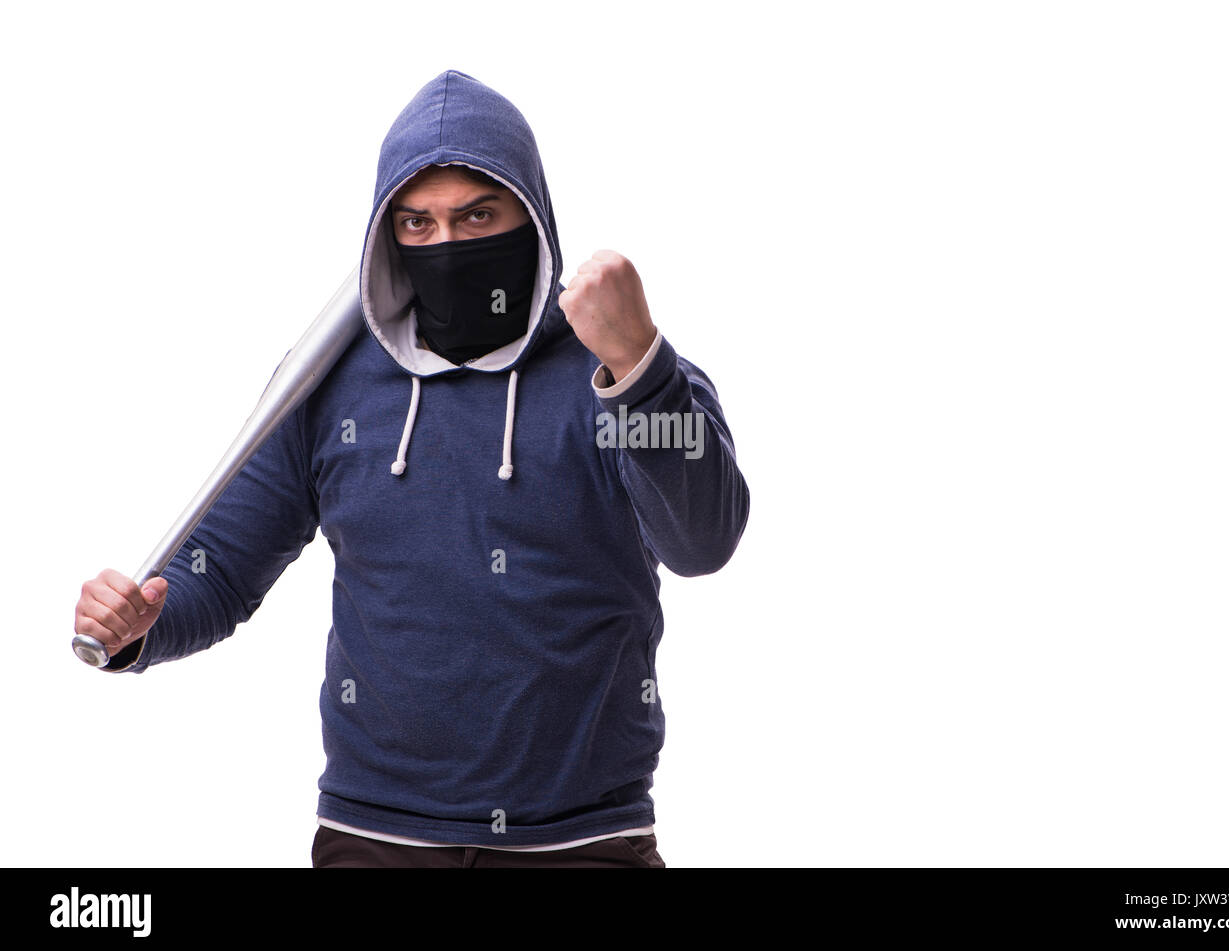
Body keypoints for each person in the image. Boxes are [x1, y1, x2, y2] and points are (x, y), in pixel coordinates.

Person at [72, 69, 749, 868]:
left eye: (477, 216)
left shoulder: (617, 370)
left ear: (531, 216)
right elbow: (215, 574)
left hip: (584, 840)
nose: (447, 245)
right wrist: (136, 628)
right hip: (374, 839)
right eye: (417, 225)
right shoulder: (328, 381)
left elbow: (703, 539)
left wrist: (640, 364)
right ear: (385, 233)